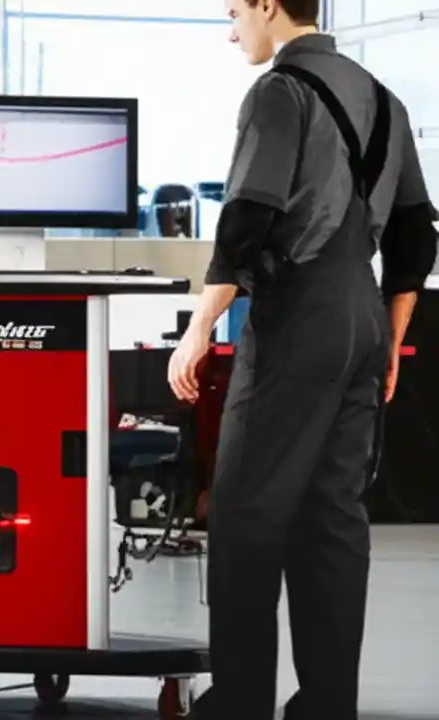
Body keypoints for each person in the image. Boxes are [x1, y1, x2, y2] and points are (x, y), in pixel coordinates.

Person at [165, 0, 439, 718]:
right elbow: (417, 233)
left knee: (244, 516)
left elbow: (249, 217)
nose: (231, 31)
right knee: (333, 522)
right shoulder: (386, 100)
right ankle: (326, 706)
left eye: (232, 12)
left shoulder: (279, 92)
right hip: (363, 321)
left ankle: (242, 703)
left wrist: (199, 328)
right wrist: (389, 338)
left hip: (297, 318)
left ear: (266, 5)